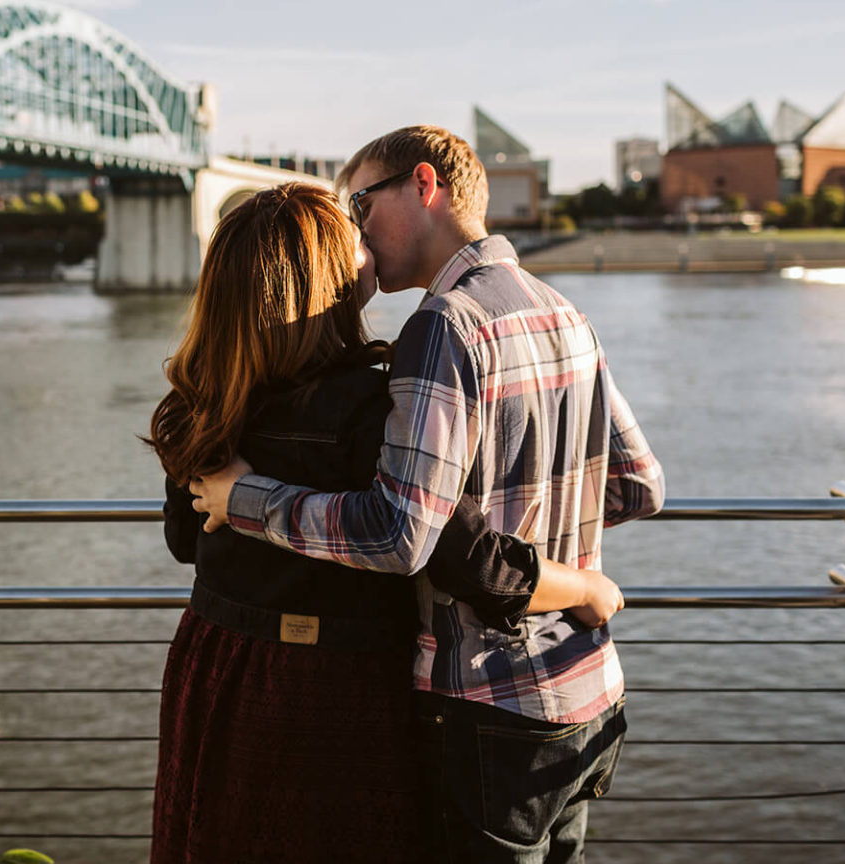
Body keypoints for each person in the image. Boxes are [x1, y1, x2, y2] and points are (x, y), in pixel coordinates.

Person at [190, 127, 665, 864]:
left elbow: (399, 536)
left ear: (423, 185)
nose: (357, 228)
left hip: (490, 699)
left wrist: (245, 498)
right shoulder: (565, 312)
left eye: (361, 202)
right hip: (589, 688)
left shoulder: (445, 325)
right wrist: (562, 561)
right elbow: (639, 487)